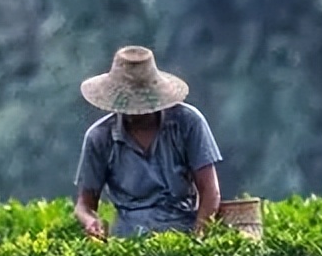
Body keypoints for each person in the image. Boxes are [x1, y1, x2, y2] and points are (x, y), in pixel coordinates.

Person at [73, 45, 222, 240]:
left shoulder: (188, 122)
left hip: (182, 233)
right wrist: (90, 221)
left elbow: (210, 192)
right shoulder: (99, 137)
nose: (136, 112)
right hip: (129, 240)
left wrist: (198, 239)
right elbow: (84, 205)